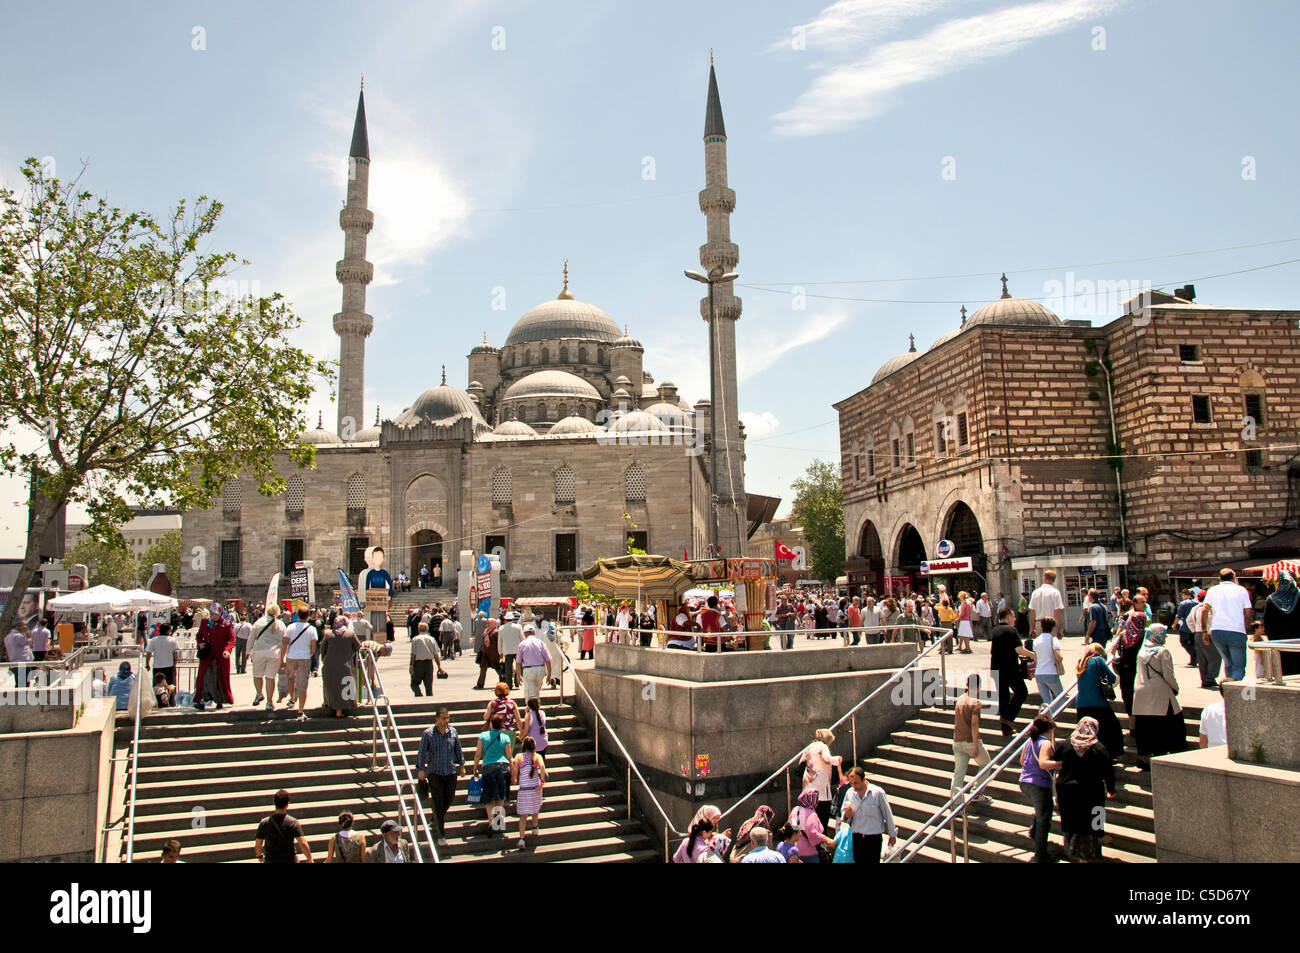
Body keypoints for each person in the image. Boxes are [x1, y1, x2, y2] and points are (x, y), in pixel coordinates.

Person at [1038, 717, 1115, 863]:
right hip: (1091, 791)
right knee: (1095, 818)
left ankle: (1074, 852)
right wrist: (1111, 788)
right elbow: (1108, 771)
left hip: (1066, 790)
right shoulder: (1098, 748)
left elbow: (1055, 758)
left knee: (1072, 822)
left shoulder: (1066, 744)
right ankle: (1094, 846)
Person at [1132, 624, 1186, 770]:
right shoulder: (1163, 651)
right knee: (1173, 723)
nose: (1166, 636)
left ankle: (1145, 758)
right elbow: (1169, 675)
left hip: (1141, 693)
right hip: (1160, 693)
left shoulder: (1141, 651)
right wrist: (1176, 688)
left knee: (1146, 728)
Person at [417, 707, 465, 846]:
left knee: (449, 798)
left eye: (448, 717)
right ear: (437, 719)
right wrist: (421, 768)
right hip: (435, 772)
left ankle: (436, 816)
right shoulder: (428, 733)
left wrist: (461, 765)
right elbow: (422, 752)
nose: (446, 720)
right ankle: (441, 834)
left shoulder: (453, 731)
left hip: (450, 771)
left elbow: (458, 748)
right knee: (438, 801)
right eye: (443, 718)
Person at [1019, 711, 1057, 863]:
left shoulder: (1029, 741)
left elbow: (1022, 761)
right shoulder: (1046, 744)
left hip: (1024, 782)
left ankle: (1034, 831)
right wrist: (1061, 763)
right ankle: (1040, 856)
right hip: (1039, 784)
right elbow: (1043, 763)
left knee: (1040, 810)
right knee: (1044, 818)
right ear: (1048, 729)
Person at [1074, 643, 1123, 759]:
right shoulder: (1098, 660)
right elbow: (1112, 678)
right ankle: (1110, 755)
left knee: (1087, 733)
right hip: (1097, 703)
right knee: (1112, 728)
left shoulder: (1081, 662)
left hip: (1081, 704)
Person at [840, 766, 897, 863]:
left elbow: (887, 814)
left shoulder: (877, 793)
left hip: (873, 838)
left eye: (856, 783)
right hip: (857, 837)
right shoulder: (850, 793)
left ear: (864, 779)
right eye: (851, 783)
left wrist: (892, 834)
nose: (853, 786)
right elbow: (844, 815)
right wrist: (846, 814)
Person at [1204, 568, 1253, 681]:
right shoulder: (1241, 590)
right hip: (1236, 630)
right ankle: (1234, 686)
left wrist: (1204, 630)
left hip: (1217, 630)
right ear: (1234, 578)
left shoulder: (1212, 590)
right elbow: (1247, 612)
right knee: (1238, 666)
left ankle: (1227, 688)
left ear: (1219, 579)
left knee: (1228, 663)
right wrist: (1246, 629)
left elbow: (1204, 610)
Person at [951, 673, 992, 806]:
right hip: (970, 740)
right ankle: (976, 792)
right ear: (979, 686)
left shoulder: (960, 699)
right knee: (986, 764)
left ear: (967, 684)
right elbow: (974, 725)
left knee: (958, 775)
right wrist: (975, 746)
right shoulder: (976, 702)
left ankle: (956, 804)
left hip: (957, 741)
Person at [472, 714, 513, 838]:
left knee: (489, 797)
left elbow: (478, 754)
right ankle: (499, 820)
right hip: (502, 767)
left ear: (491, 723)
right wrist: (513, 770)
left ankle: (491, 823)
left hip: (488, 767)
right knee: (501, 795)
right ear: (501, 725)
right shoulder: (505, 737)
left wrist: (475, 768)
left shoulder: (483, 736)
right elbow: (509, 756)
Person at [280, 606, 319, 719]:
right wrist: (309, 655)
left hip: (291, 656)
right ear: (307, 616)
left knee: (291, 679)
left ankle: (292, 698)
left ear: (297, 615)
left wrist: (282, 658)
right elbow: (313, 647)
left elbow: (285, 643)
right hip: (304, 658)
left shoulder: (291, 627)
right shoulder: (311, 629)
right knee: (303, 685)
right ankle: (300, 711)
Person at [798, 728, 842, 828]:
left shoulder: (810, 747)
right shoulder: (823, 746)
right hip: (821, 788)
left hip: (808, 786)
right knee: (822, 816)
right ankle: (821, 839)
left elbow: (801, 763)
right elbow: (827, 758)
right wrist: (838, 759)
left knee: (809, 814)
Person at [320, 616, 362, 718]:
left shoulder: (328, 634)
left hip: (330, 665)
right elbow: (358, 646)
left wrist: (324, 660)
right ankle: (346, 707)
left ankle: (328, 703)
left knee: (331, 686)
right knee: (345, 685)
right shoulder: (350, 634)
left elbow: (323, 649)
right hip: (345, 665)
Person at [254, 789, 312, 863]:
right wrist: (310, 859)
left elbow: (258, 844)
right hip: (289, 860)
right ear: (288, 804)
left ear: (274, 803)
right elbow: (303, 843)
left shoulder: (264, 823)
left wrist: (260, 855)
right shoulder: (293, 822)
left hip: (271, 860)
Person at [511, 735, 547, 850]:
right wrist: (542, 782)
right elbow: (542, 767)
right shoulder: (537, 756)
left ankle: (521, 839)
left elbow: (515, 777)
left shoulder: (518, 757)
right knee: (535, 810)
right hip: (535, 788)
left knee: (523, 816)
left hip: (524, 790)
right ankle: (535, 828)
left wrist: (513, 771)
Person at [1261, 569, 1300, 676]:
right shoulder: (1299, 596)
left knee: (1283, 669)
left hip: (1279, 641)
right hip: (1298, 640)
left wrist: (1272, 639)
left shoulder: (1271, 599)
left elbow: (1267, 623)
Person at [1114, 594, 1149, 714]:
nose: (1144, 605)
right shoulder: (1137, 638)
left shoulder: (1129, 637)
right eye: (1142, 602)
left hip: (1129, 676)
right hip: (1133, 674)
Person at [248, 605, 286, 710]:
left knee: (257, 675)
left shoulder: (259, 622)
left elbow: (251, 638)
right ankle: (269, 702)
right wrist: (284, 656)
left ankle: (259, 693)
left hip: (259, 651)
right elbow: (285, 641)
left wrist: (248, 651)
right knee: (270, 678)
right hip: (274, 654)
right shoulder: (281, 624)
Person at [789, 787, 836, 863]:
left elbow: (793, 828)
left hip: (796, 850)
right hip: (810, 853)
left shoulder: (795, 811)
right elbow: (812, 832)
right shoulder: (811, 814)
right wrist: (827, 839)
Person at [1188, 588, 1220, 688]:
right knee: (1215, 657)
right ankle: (1210, 677)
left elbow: (1189, 621)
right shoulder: (1208, 608)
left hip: (1197, 633)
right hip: (1208, 634)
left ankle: (1205, 679)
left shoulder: (1195, 608)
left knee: (1202, 659)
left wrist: (1194, 630)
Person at [515, 623, 553, 701]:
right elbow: (548, 660)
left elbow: (518, 662)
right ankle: (536, 709)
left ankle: (532, 711)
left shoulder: (522, 644)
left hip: (529, 671)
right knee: (536, 692)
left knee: (530, 695)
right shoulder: (541, 643)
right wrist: (549, 675)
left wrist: (518, 676)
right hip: (541, 670)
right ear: (534, 632)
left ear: (525, 634)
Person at [1032, 618, 1064, 702]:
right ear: (1053, 627)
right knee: (1061, 699)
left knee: (1046, 700)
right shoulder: (1053, 640)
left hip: (1039, 673)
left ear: (1042, 627)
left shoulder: (1035, 641)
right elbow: (1058, 657)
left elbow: (1035, 659)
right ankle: (1053, 714)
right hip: (1051, 672)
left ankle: (1047, 714)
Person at [409, 622, 445, 696]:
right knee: (429, 686)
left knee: (414, 683)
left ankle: (419, 695)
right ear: (427, 629)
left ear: (418, 630)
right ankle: (430, 702)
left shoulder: (415, 639)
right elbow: (436, 654)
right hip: (428, 664)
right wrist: (439, 665)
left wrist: (411, 665)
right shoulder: (431, 639)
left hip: (418, 664)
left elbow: (413, 654)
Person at [1028, 570, 1065, 637]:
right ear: (1054, 580)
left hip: (1039, 623)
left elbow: (1032, 612)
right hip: (1051, 624)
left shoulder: (1035, 593)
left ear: (1044, 578)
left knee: (1040, 645)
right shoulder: (1055, 592)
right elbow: (1057, 612)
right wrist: (1060, 628)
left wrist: (1032, 628)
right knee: (1051, 645)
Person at [144, 622, 179, 690]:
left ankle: (158, 700)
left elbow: (149, 653)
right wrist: (174, 664)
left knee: (157, 687)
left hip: (157, 667)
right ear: (168, 631)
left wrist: (147, 664)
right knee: (170, 687)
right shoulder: (172, 640)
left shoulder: (154, 640)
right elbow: (175, 654)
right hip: (169, 666)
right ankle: (171, 700)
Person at [5, 620, 34, 688]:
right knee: (24, 685)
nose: (26, 627)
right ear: (18, 626)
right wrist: (28, 634)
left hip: (14, 663)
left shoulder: (7, 637)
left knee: (19, 683)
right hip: (23, 663)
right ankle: (22, 698)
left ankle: (19, 697)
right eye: (24, 625)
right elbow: (31, 642)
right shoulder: (18, 636)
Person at [498, 613, 523, 689]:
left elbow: (499, 641)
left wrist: (500, 651)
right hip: (517, 650)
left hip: (507, 650)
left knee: (508, 668)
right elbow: (522, 638)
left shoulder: (501, 628)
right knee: (518, 666)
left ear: (505, 619)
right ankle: (517, 681)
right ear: (512, 619)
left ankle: (509, 684)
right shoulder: (518, 627)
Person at [232, 611, 252, 675]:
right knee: (244, 655)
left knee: (237, 655)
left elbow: (234, 634)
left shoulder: (236, 625)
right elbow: (251, 634)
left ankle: (238, 668)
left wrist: (235, 641)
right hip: (245, 640)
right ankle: (243, 669)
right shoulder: (248, 625)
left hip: (238, 640)